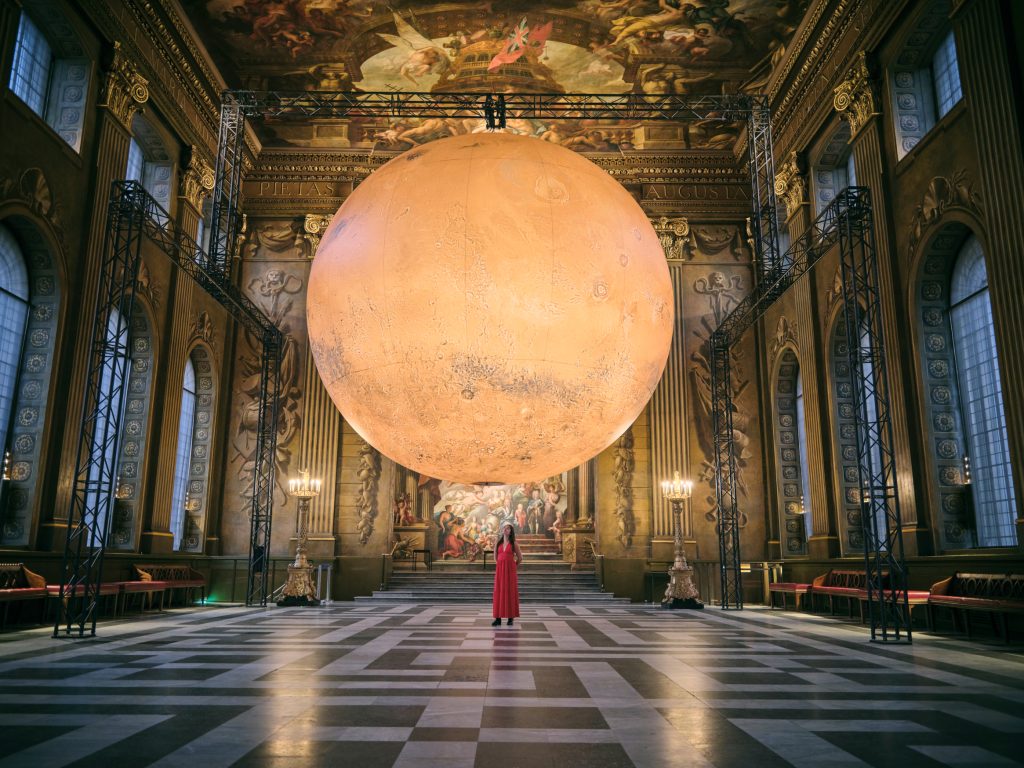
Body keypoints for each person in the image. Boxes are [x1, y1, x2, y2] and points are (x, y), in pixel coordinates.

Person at [491, 523, 522, 627]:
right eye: (504, 528)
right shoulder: (498, 543)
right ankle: (498, 619)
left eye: (508, 528)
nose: (505, 530)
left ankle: (510, 618)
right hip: (500, 571)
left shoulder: (514, 543)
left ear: (511, 531)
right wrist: (500, 564)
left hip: (510, 572)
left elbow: (520, 558)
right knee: (498, 592)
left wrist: (513, 566)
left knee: (510, 592)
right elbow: (495, 557)